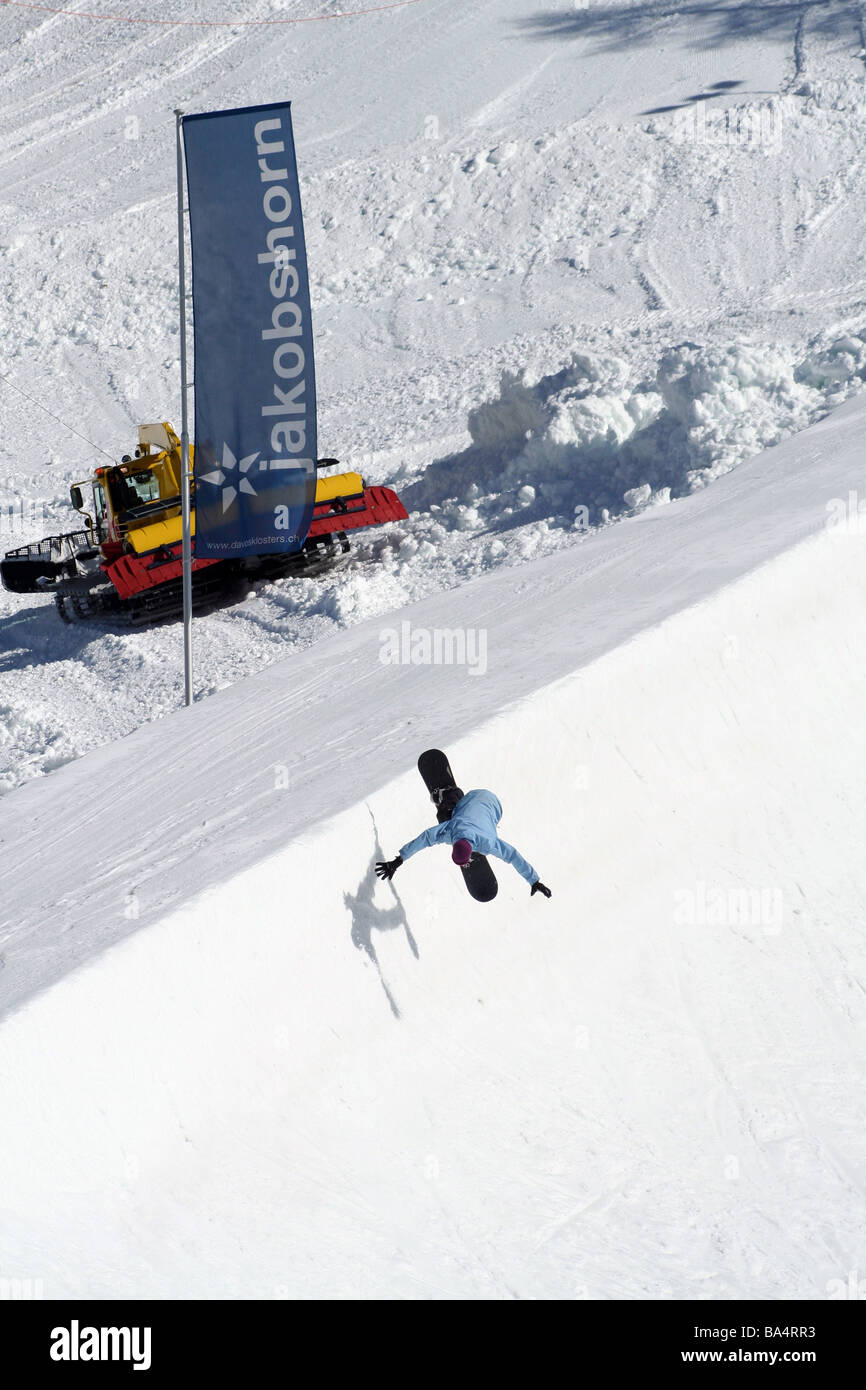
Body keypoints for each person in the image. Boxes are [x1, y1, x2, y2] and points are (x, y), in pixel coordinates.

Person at [376, 786, 551, 897]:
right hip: (480, 798)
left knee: (445, 816)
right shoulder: (453, 830)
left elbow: (425, 838)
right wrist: (399, 859)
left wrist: (534, 881)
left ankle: (448, 794)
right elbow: (425, 837)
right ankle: (449, 794)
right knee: (451, 814)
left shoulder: (483, 841)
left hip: (490, 805)